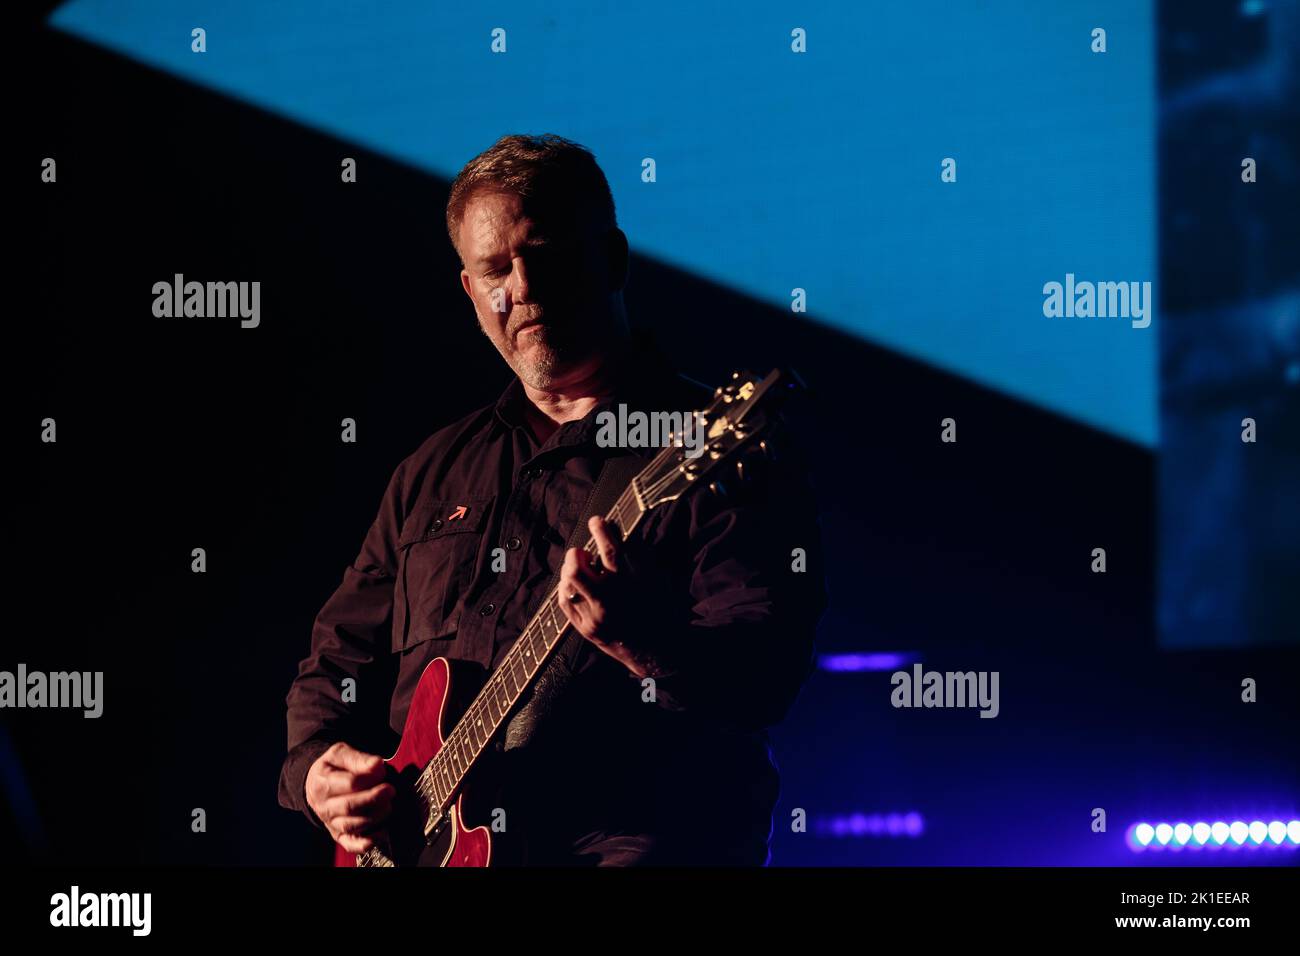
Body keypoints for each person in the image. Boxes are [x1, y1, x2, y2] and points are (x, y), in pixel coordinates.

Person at [277, 133, 827, 865]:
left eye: (549, 252)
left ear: (613, 259)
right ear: (471, 293)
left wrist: (645, 642)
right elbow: (337, 658)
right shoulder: (431, 472)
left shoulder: (704, 445)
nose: (525, 287)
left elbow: (767, 676)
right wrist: (315, 768)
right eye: (496, 268)